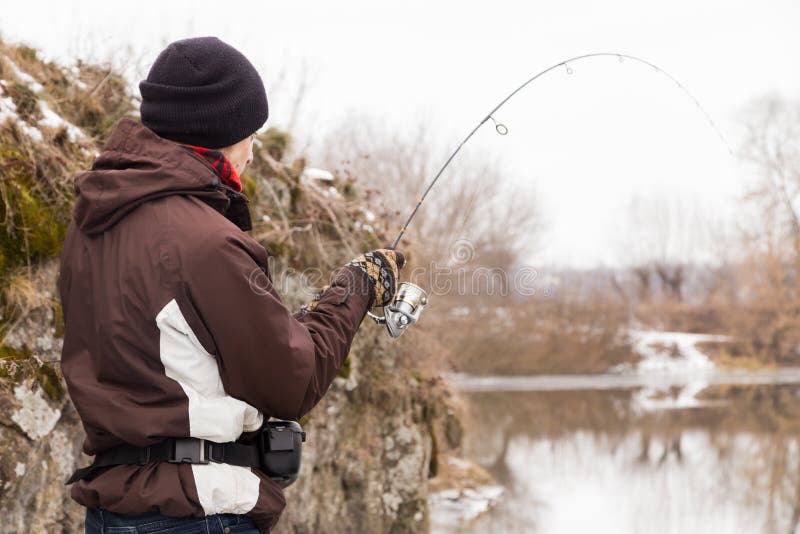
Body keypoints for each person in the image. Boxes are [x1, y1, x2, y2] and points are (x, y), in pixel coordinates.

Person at [57, 36, 405, 534]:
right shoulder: (206, 241)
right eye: (250, 134)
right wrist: (358, 285)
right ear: (217, 133)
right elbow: (292, 380)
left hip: (112, 513)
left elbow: (183, 349)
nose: (253, 151)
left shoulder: (89, 226)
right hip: (196, 512)